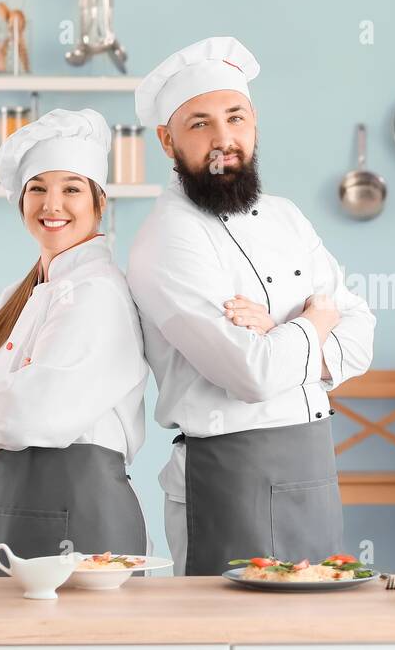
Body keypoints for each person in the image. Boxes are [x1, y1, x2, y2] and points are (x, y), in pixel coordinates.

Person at [127, 36, 375, 575]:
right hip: (229, 475)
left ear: (254, 122)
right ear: (168, 142)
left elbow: (362, 336)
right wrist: (313, 320)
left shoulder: (286, 216)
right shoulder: (167, 241)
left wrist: (283, 331)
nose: (224, 139)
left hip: (312, 465)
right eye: (200, 124)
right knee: (230, 644)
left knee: (312, 641)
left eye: (235, 118)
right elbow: (251, 375)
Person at [0, 108, 150, 573]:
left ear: (100, 204)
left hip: (82, 518)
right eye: (38, 189)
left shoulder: (99, 292)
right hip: (6, 517)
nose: (51, 205)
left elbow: (35, 412)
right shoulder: (14, 297)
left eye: (71, 189)